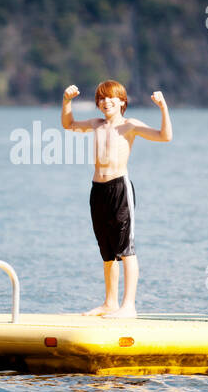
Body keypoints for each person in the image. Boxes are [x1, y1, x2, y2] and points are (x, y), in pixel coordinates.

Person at [61, 79, 172, 316]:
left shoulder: (129, 125)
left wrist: (163, 107)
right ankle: (109, 303)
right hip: (97, 190)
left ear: (122, 101)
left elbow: (165, 136)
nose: (105, 101)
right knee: (107, 251)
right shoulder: (96, 124)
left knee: (126, 249)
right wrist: (66, 101)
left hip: (120, 189)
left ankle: (128, 306)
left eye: (110, 97)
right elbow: (68, 124)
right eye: (101, 98)